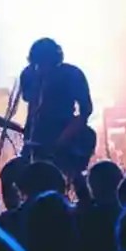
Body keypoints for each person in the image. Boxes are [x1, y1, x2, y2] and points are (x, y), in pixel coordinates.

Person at [19, 38, 94, 176]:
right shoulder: (28, 75)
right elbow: (31, 104)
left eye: (43, 64)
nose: (40, 69)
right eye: (36, 64)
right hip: (35, 141)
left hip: (65, 140)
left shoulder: (71, 75)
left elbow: (85, 111)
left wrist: (63, 138)